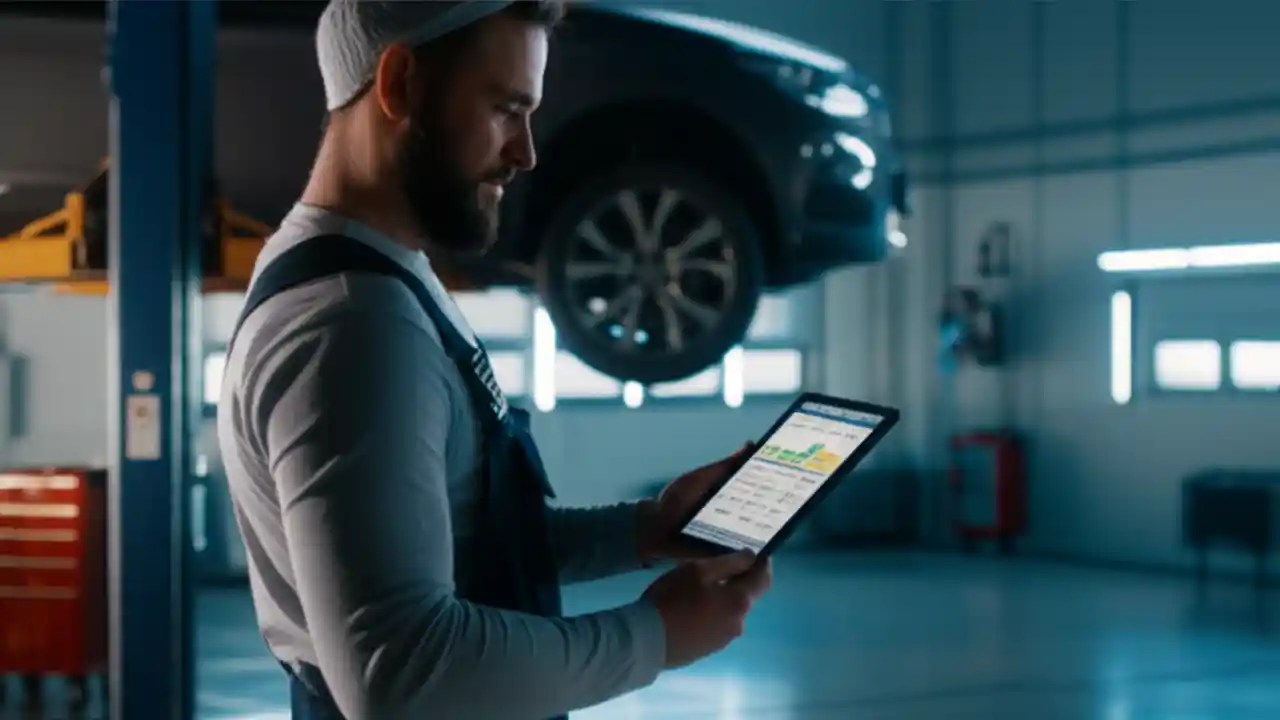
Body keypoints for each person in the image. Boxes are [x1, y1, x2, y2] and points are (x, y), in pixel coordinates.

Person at [215, 2, 773, 718]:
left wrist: (645, 529)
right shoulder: (351, 322)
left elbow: (459, 534)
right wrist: (655, 636)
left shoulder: (376, 275)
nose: (525, 153)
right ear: (401, 84)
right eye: (507, 109)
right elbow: (398, 672)